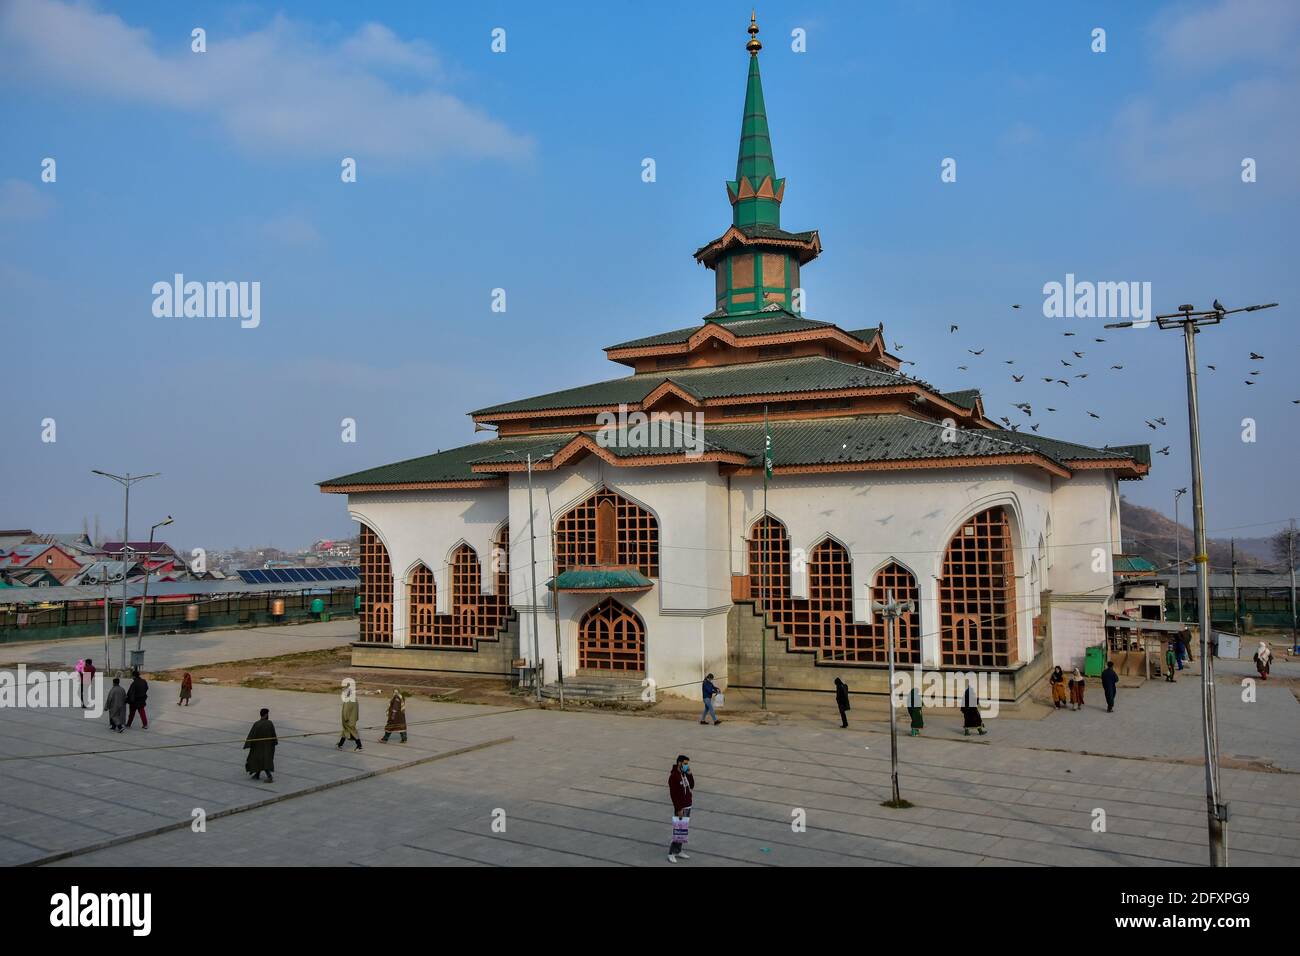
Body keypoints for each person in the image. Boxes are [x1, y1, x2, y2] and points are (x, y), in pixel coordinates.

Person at [667, 754, 694, 863]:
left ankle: (678, 850)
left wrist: (690, 774)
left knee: (683, 830)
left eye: (687, 764)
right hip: (681, 808)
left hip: (688, 805)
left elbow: (691, 785)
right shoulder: (674, 776)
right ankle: (671, 853)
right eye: (685, 764)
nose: (686, 766)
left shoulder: (684, 774)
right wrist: (679, 808)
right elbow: (673, 795)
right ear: (679, 763)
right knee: (678, 830)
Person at [244, 708, 277, 782]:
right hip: (266, 746)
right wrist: (274, 742)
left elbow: (251, 735)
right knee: (264, 760)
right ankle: (259, 775)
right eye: (267, 714)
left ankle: (269, 777)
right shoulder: (269, 723)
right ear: (265, 715)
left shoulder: (257, 724)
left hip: (258, 746)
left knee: (261, 760)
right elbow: (273, 735)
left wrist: (248, 744)